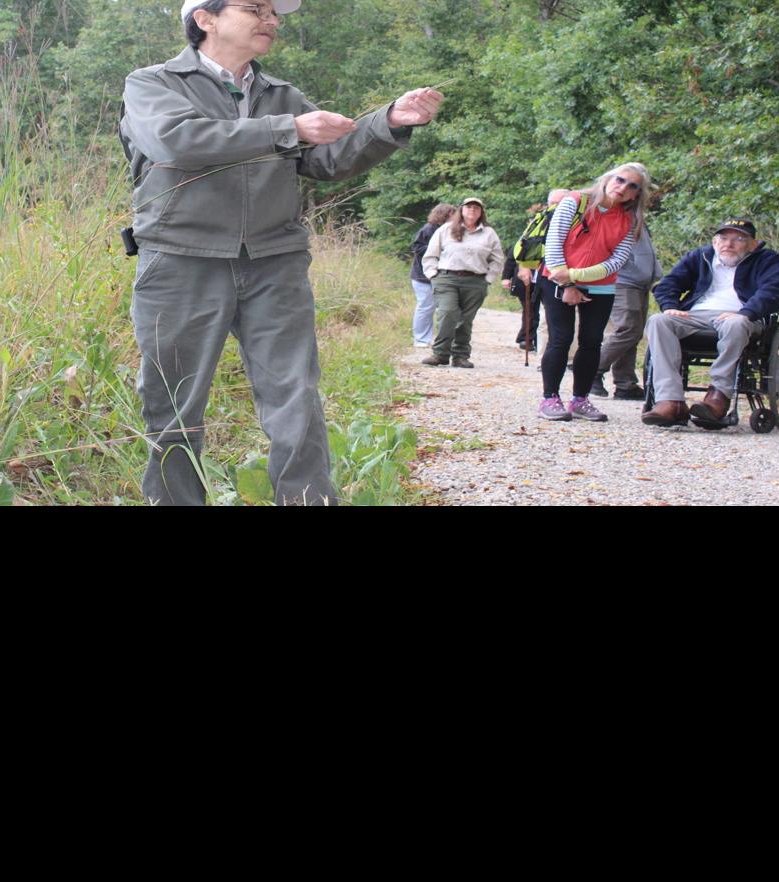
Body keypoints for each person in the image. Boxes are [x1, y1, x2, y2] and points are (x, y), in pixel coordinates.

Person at [120, 0, 443, 505]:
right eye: (256, 8)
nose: (271, 20)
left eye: (275, 12)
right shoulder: (153, 83)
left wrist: (389, 122)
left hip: (276, 260)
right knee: (174, 403)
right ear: (205, 19)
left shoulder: (283, 94)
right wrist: (286, 129)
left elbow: (326, 160)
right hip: (180, 259)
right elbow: (174, 141)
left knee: (296, 396)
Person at [641, 219, 779, 427]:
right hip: (696, 316)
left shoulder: (767, 260)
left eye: (738, 239)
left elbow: (773, 292)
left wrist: (746, 313)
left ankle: (718, 396)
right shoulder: (699, 256)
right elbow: (668, 284)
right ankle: (670, 401)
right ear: (714, 242)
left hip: (743, 316)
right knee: (658, 321)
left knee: (735, 324)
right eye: (723, 238)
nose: (729, 244)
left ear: (753, 244)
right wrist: (669, 306)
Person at [535, 164, 648, 423]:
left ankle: (580, 399)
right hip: (556, 276)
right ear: (608, 178)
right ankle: (550, 398)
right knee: (561, 338)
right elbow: (554, 244)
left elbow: (617, 260)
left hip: (600, 282)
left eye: (633, 186)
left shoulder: (629, 218)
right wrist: (566, 284)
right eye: (620, 180)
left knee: (592, 340)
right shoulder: (575, 202)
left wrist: (576, 277)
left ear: (636, 195)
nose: (623, 188)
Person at [420, 197, 506, 368]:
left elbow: (497, 259)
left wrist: (489, 279)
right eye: (468, 207)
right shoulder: (446, 229)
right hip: (447, 278)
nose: (472, 210)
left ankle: (460, 355)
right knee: (447, 313)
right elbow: (431, 254)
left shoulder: (488, 233)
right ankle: (440, 353)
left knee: (465, 319)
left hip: (475, 280)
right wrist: (433, 275)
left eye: (476, 208)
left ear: (481, 212)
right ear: (462, 210)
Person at [592, 219, 662, 400]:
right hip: (623, 280)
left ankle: (625, 384)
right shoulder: (616, 215)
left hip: (640, 282)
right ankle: (591, 370)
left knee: (633, 332)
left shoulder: (636, 216)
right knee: (628, 330)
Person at [507, 189, 568, 352]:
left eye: (561, 203)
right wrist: (522, 269)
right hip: (540, 275)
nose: (557, 207)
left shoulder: (578, 220)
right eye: (554, 203)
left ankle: (564, 353)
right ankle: (538, 347)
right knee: (535, 310)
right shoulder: (541, 221)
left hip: (567, 274)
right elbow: (521, 250)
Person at [410, 203, 456, 347]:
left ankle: (438, 338)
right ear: (444, 215)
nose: (456, 217)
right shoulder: (429, 229)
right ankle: (421, 339)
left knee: (443, 308)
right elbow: (417, 247)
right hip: (423, 276)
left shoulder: (449, 230)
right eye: (452, 214)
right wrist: (439, 249)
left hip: (440, 275)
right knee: (425, 306)